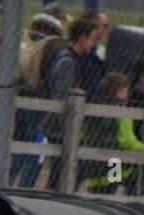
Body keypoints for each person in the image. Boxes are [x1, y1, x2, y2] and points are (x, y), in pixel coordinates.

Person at [42, 16, 101, 189]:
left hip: (67, 127)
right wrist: (71, 125)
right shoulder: (67, 61)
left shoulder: (77, 60)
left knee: (65, 171)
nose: (92, 44)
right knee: (60, 172)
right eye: (91, 39)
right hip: (62, 128)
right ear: (82, 38)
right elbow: (61, 97)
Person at [84, 72, 144, 195]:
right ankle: (131, 209)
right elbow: (127, 141)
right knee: (140, 182)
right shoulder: (122, 113)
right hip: (115, 162)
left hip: (94, 162)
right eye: (125, 90)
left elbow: (84, 133)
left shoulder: (95, 109)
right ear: (119, 92)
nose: (127, 94)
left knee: (99, 197)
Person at [12, 32, 63, 187]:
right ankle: (24, 186)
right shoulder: (48, 52)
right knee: (33, 151)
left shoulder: (35, 49)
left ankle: (14, 181)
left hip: (28, 103)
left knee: (27, 150)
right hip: (35, 108)